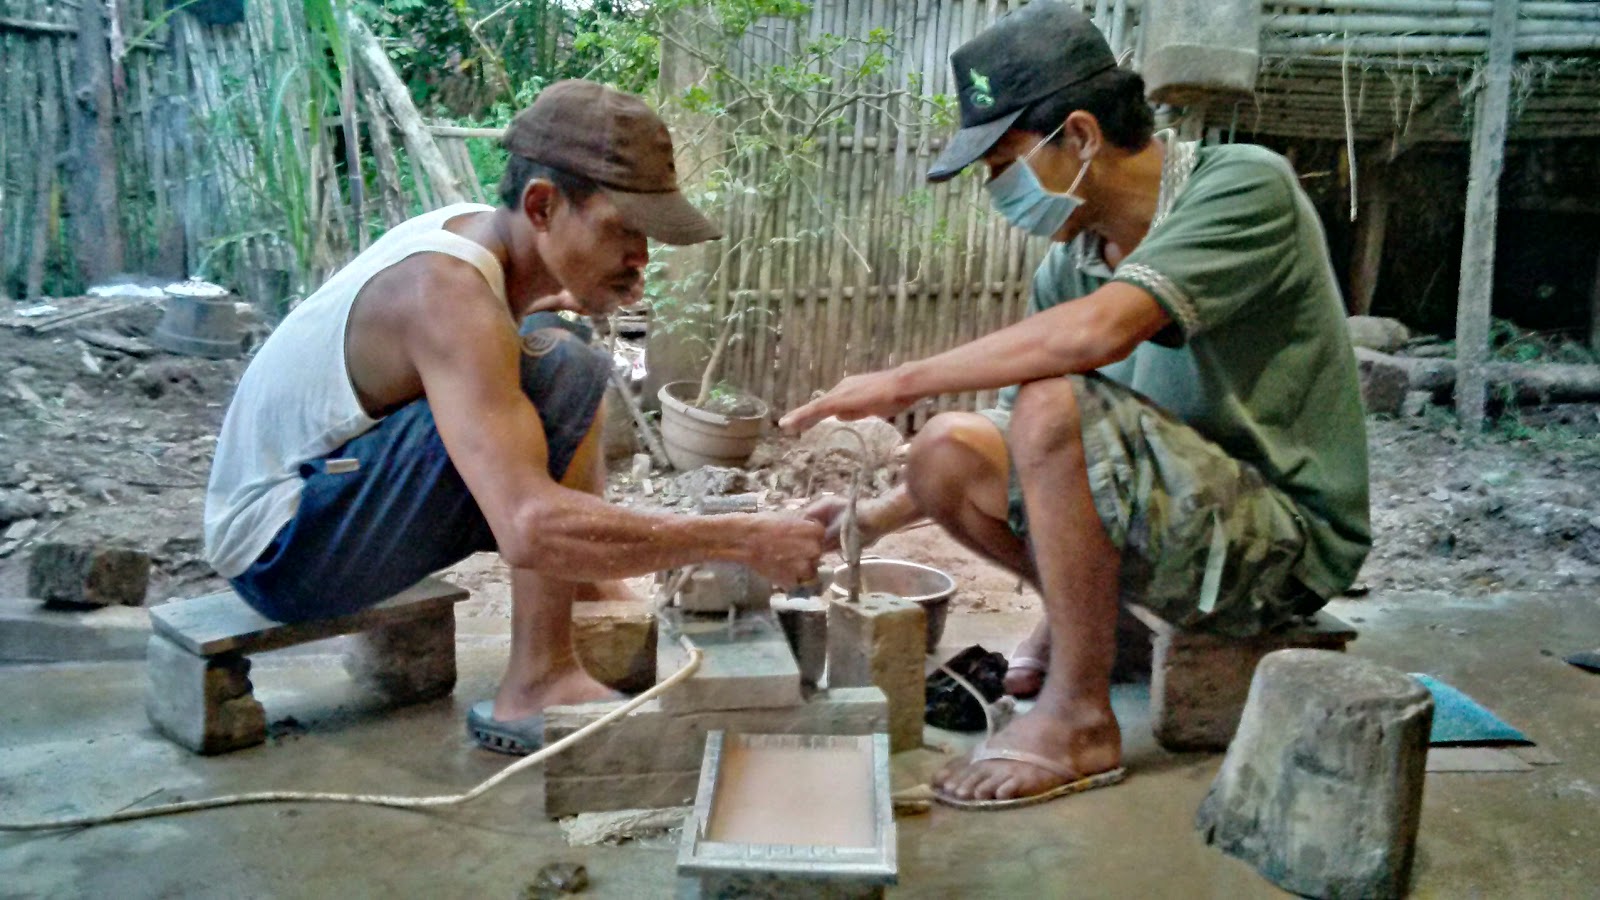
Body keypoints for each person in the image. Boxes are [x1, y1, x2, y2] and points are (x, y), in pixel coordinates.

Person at [783, 2, 1370, 809]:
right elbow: (1020, 441)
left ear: (1082, 137)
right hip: (1184, 523)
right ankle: (1099, 629)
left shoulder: (1243, 186)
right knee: (946, 452)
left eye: (1003, 164)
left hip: (1281, 549)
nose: (997, 191)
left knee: (1052, 400)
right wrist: (870, 520)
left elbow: (1100, 338)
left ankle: (1078, 715)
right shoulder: (1073, 265)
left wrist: (900, 381)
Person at [204, 80, 825, 755]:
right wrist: (740, 540)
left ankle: (588, 600)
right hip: (283, 551)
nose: (642, 260)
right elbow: (527, 527)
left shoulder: (482, 241)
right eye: (626, 231)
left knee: (565, 360)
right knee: (560, 377)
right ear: (542, 205)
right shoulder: (446, 291)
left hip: (326, 501)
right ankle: (538, 681)